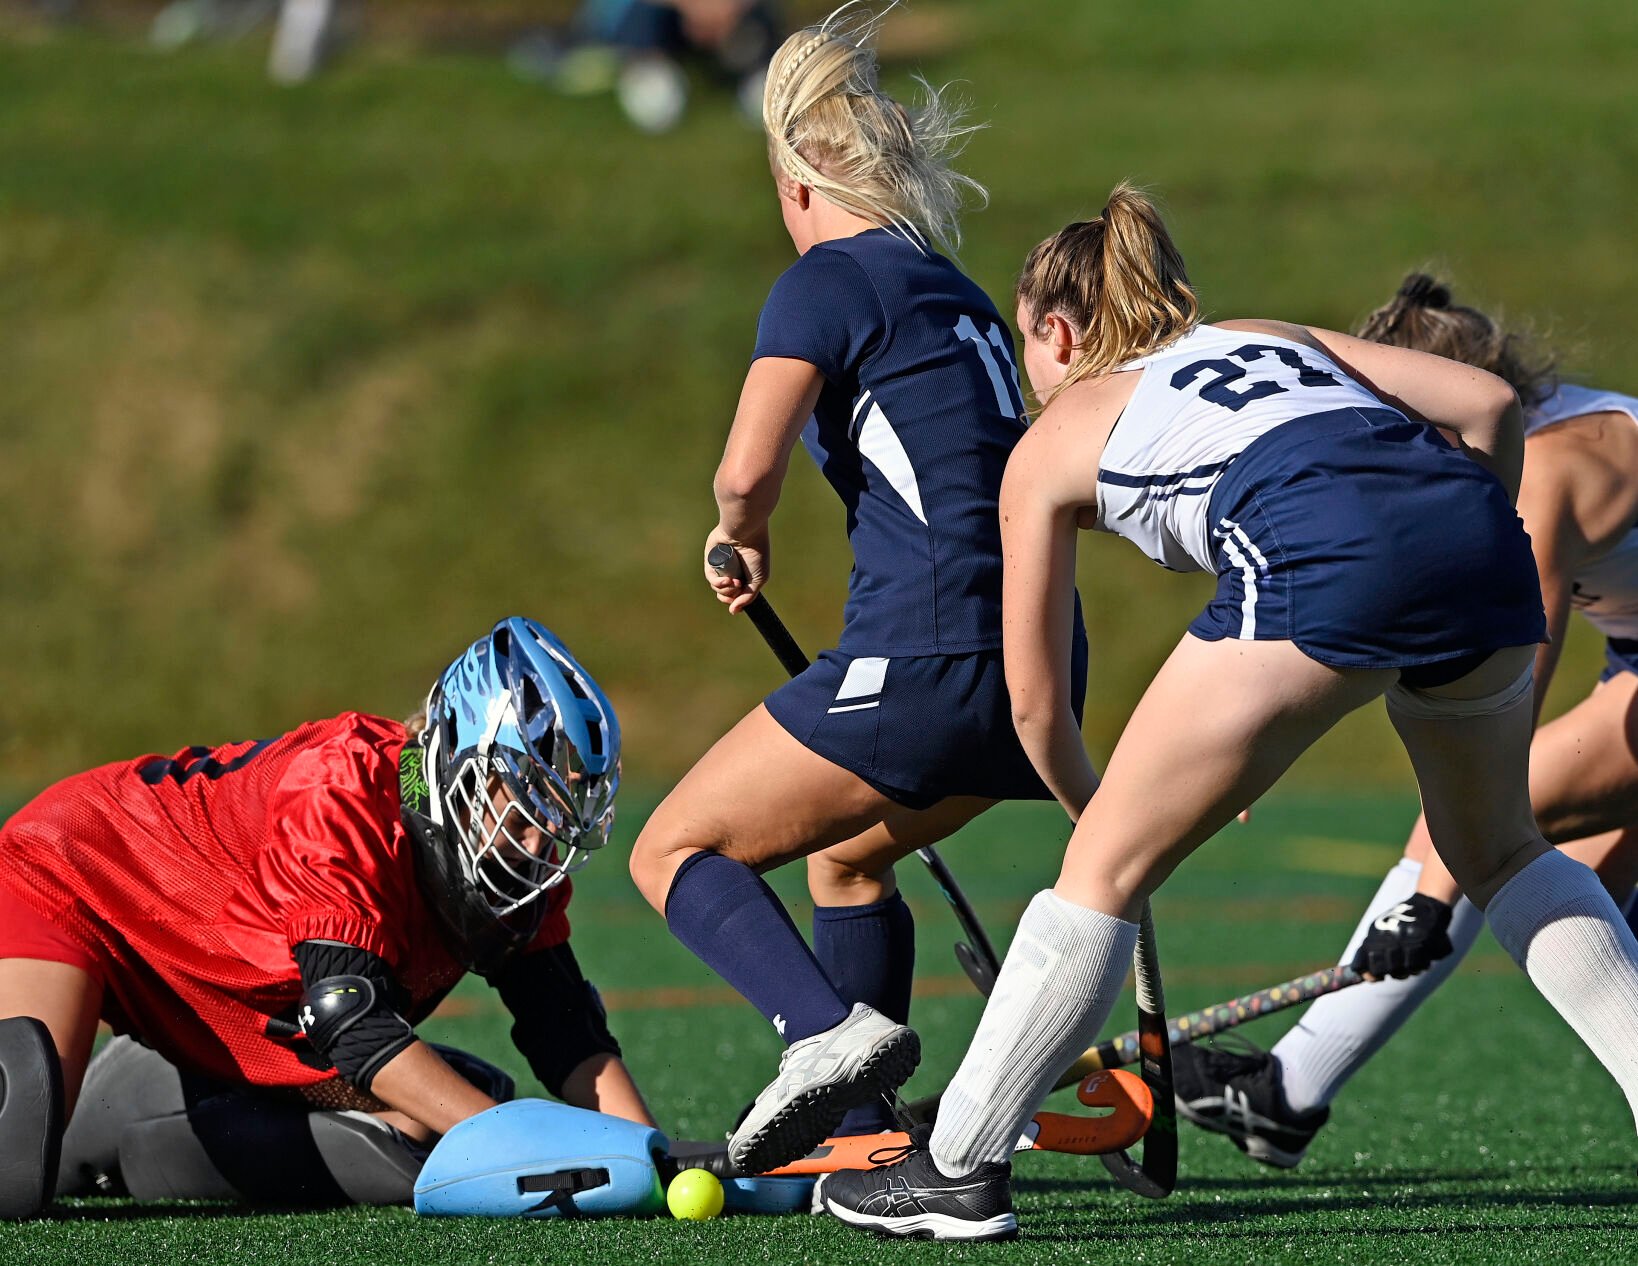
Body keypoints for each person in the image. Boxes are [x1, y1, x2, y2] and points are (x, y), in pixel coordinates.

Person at [818, 187, 1638, 1241]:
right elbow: (1486, 407)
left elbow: (1034, 702)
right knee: (1503, 851)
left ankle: (959, 1171)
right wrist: (1462, 545)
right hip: (1480, 542)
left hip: (1321, 554)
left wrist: (1100, 816)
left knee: (1100, 875)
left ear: (1058, 335)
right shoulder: (1258, 333)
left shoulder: (1056, 437)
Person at [626, 5, 1087, 1174]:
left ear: (794, 184)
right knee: (847, 858)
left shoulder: (826, 280)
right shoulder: (960, 292)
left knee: (673, 849)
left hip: (926, 663)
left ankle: (823, 1035)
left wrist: (740, 535)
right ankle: (866, 1136)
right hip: (1041, 678)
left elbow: (745, 469)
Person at [1172, 274, 1638, 1168]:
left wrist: (1425, 895)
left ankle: (1288, 1091)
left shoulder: (1544, 479)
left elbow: (1490, 736)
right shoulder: (1525, 437)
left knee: (1493, 831)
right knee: (1594, 920)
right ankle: (1288, 1091)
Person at [0, 617, 648, 1218]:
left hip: (226, 988)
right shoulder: (342, 793)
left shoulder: (510, 858)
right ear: (458, 764)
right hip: (72, 879)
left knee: (417, 1140)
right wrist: (522, 1142)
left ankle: (153, 1094)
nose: (538, 843)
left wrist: (649, 1157)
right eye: (522, 802)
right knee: (12, 1158)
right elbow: (354, 1027)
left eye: (554, 818)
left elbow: (564, 1029)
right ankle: (108, 1108)